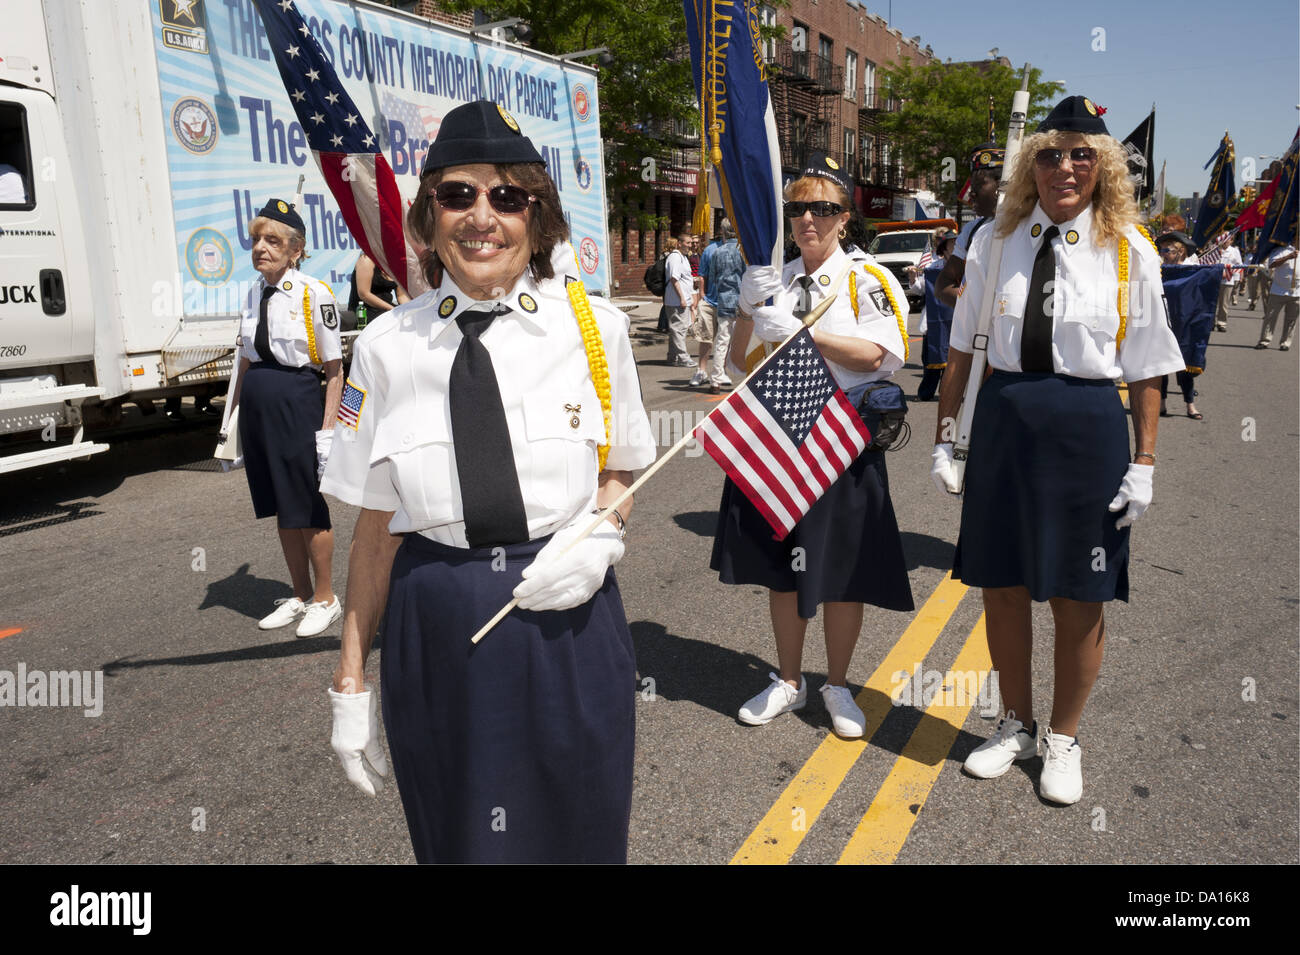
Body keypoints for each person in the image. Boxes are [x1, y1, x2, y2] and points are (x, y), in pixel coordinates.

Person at [319, 100, 656, 864]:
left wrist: (605, 531)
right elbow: (377, 530)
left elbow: (621, 468)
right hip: (439, 626)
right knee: (464, 843)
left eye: (507, 196)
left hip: (569, 616)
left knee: (583, 833)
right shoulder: (384, 349)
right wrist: (349, 679)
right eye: (458, 194)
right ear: (429, 215)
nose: (482, 216)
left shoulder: (594, 330)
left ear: (537, 218)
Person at [930, 95, 1185, 805]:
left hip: (1086, 429)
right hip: (1007, 422)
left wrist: (1145, 461)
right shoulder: (994, 239)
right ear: (1029, 165)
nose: (1063, 167)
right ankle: (1014, 720)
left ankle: (1064, 738)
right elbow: (960, 349)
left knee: (1080, 592)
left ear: (1103, 167)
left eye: (1080, 155)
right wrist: (947, 439)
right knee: (1002, 586)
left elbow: (1146, 366)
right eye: (1049, 153)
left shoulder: (1129, 249)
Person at [715, 151, 914, 739]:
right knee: (783, 568)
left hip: (839, 437)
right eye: (798, 208)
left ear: (844, 219)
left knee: (841, 572)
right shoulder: (777, 280)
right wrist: (751, 309)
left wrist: (803, 333)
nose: (808, 220)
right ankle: (788, 679)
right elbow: (737, 365)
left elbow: (878, 356)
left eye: (822, 209)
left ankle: (838, 684)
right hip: (777, 435)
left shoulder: (866, 279)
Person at [227, 198, 344, 638]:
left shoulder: (315, 293)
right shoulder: (253, 292)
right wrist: (231, 423)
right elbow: (244, 359)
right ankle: (299, 594)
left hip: (297, 402)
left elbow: (335, 370)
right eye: (257, 239)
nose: (261, 247)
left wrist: (327, 432)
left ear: (295, 249)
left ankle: (326, 598)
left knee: (307, 504)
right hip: (259, 405)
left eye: (273, 240)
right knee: (280, 502)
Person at [936, 143, 1004, 309]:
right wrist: (983, 313)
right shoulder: (972, 231)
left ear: (1003, 185)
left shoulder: (1034, 227)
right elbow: (943, 287)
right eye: (971, 186)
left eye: (979, 185)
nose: (971, 193)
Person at [1154, 231, 1205, 418]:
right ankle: (1161, 404)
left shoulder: (1191, 271)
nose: (1163, 252)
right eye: (1161, 249)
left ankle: (1190, 405)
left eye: (1167, 249)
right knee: (1162, 367)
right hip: (1162, 321)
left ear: (1180, 252)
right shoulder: (1158, 269)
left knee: (1185, 367)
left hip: (1183, 323)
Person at [910, 226, 957, 400]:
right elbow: (920, 289)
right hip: (934, 321)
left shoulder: (966, 267)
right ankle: (925, 393)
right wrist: (913, 278)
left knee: (953, 361)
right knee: (929, 360)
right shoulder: (932, 268)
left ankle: (948, 392)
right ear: (944, 248)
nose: (955, 246)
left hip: (957, 322)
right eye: (952, 244)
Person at [702, 219, 745, 393]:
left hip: (724, 299)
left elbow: (711, 277)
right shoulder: (743, 252)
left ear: (723, 231)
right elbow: (748, 274)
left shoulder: (717, 252)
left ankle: (716, 380)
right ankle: (749, 377)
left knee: (722, 341)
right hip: (743, 301)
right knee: (747, 340)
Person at [347, 251, 410, 328]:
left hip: (387, 309)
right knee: (393, 322)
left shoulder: (396, 263)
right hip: (364, 310)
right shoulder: (366, 260)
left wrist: (409, 309)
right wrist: (392, 309)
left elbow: (401, 295)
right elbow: (364, 294)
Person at [1256, 243, 1298, 350]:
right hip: (1278, 290)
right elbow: (1272, 264)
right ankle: (1265, 341)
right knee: (1270, 317)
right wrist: (1289, 257)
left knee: (1291, 320)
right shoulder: (1281, 250)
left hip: (1297, 292)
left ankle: (1285, 343)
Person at [663, 236, 695, 366]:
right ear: (679, 243)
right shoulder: (675, 257)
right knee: (679, 329)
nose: (690, 245)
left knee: (677, 329)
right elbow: (674, 279)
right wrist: (682, 298)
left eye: (691, 243)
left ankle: (672, 357)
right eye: (687, 243)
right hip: (676, 300)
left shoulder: (683, 257)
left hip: (682, 300)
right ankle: (683, 358)